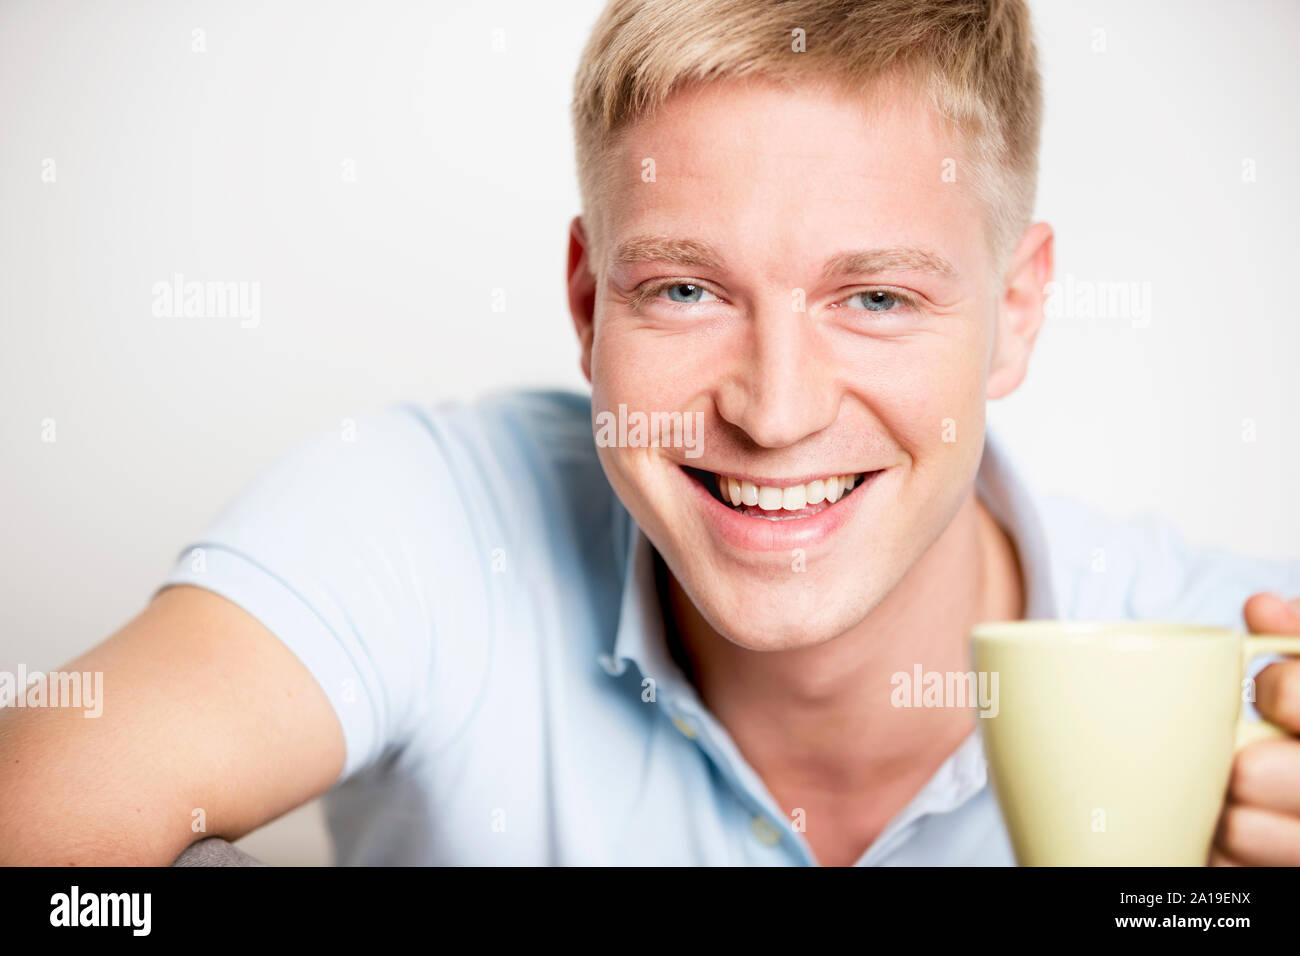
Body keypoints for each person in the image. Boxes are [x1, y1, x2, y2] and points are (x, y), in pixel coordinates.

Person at [3, 0, 1298, 867]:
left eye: (876, 298)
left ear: (1015, 315)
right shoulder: (427, 521)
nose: (776, 410)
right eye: (685, 289)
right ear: (587, 302)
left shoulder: (1248, 683)